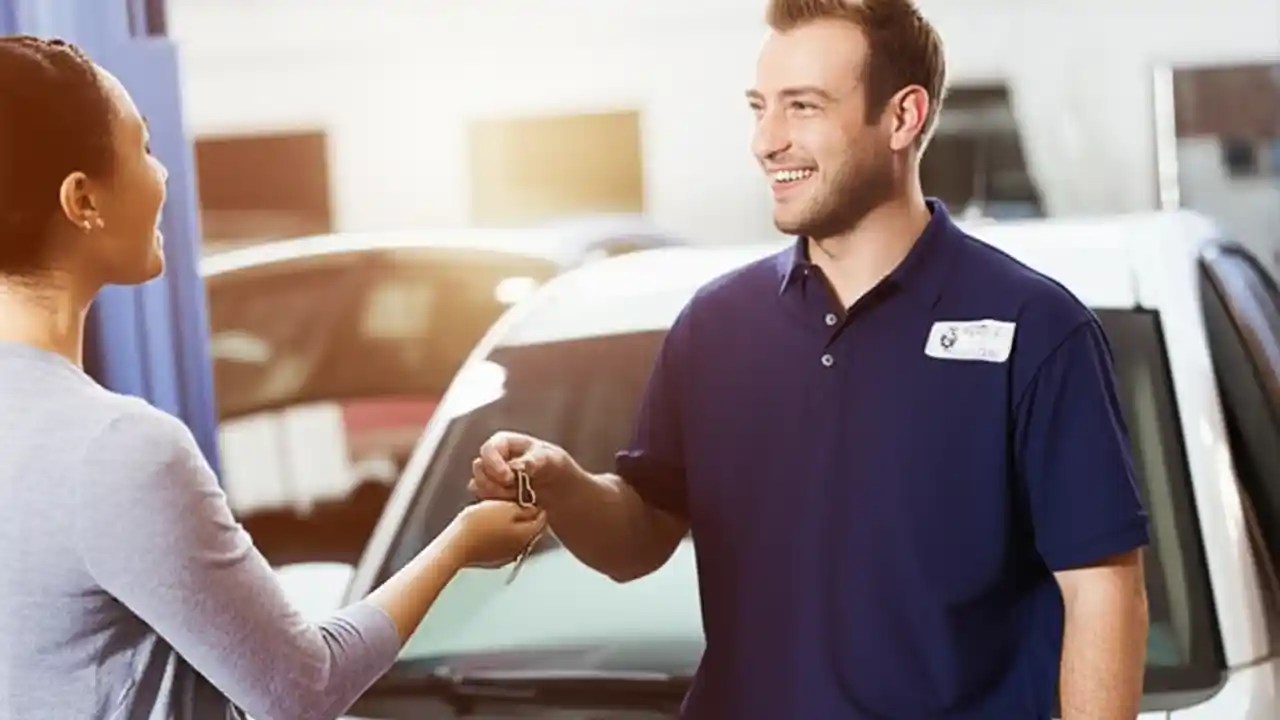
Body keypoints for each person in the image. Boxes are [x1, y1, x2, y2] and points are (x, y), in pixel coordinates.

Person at [469, 1, 1150, 718]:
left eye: (803, 107)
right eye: (760, 108)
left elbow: (1103, 589)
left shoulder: (1035, 328)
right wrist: (568, 486)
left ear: (903, 117)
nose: (767, 141)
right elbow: (640, 541)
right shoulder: (715, 328)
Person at [0, 36, 545, 720]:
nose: (164, 175)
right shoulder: (116, 450)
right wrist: (464, 541)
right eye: (141, 147)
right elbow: (300, 689)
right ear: (82, 199)